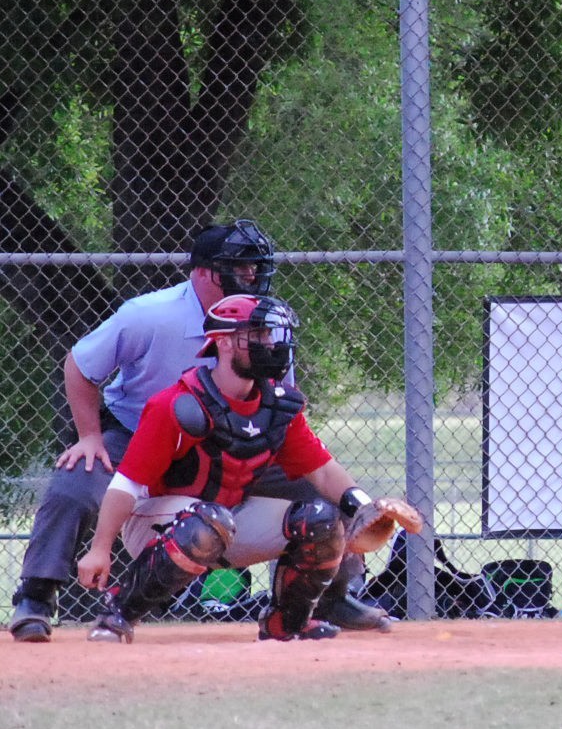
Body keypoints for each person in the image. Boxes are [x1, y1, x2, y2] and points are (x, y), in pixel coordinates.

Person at [9, 220, 383, 642]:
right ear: (203, 272)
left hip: (234, 441)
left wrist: (360, 501)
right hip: (138, 430)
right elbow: (79, 366)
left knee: (318, 492)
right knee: (76, 485)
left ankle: (329, 596)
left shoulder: (262, 325)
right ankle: (36, 596)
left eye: (257, 268)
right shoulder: (150, 316)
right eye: (240, 269)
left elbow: (282, 405)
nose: (253, 278)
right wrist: (90, 436)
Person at [76, 293, 418, 642]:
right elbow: (127, 485)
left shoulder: (277, 405)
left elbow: (324, 472)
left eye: (271, 335)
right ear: (223, 342)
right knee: (208, 522)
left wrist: (364, 506)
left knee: (319, 518)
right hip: (158, 524)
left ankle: (287, 622)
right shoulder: (177, 404)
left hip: (225, 520)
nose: (269, 344)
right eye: (257, 335)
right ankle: (116, 616)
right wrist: (101, 548)